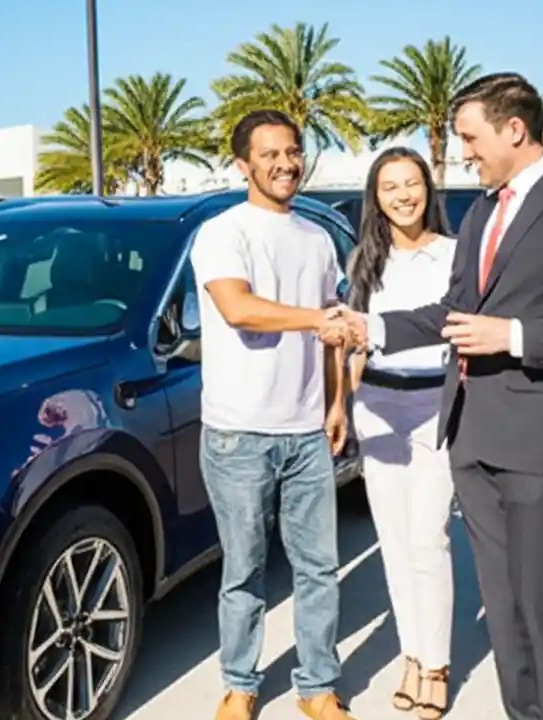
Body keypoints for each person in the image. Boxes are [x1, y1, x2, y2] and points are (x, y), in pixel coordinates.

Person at [340, 73, 543, 720]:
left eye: (469, 138)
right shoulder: (481, 211)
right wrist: (373, 327)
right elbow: (456, 311)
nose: (462, 154)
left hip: (542, 447)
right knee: (505, 613)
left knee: (542, 609)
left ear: (514, 129)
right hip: (470, 438)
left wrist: (513, 335)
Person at [189, 108, 354, 720]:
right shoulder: (223, 233)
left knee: (319, 569)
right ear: (244, 164)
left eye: (293, 151)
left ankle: (318, 687)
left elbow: (334, 335)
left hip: (308, 431)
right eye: (270, 154)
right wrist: (315, 319)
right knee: (244, 571)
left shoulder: (316, 239)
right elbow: (238, 308)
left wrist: (337, 403)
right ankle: (240, 683)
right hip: (238, 435)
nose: (285, 163)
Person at [344, 147, 457, 719]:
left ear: (427, 189)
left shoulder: (456, 256)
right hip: (378, 405)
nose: (403, 195)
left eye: (412, 183)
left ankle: (436, 663)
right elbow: (356, 344)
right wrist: (344, 405)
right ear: (376, 196)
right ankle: (411, 653)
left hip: (435, 405)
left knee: (427, 539)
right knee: (392, 540)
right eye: (390, 186)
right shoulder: (365, 258)